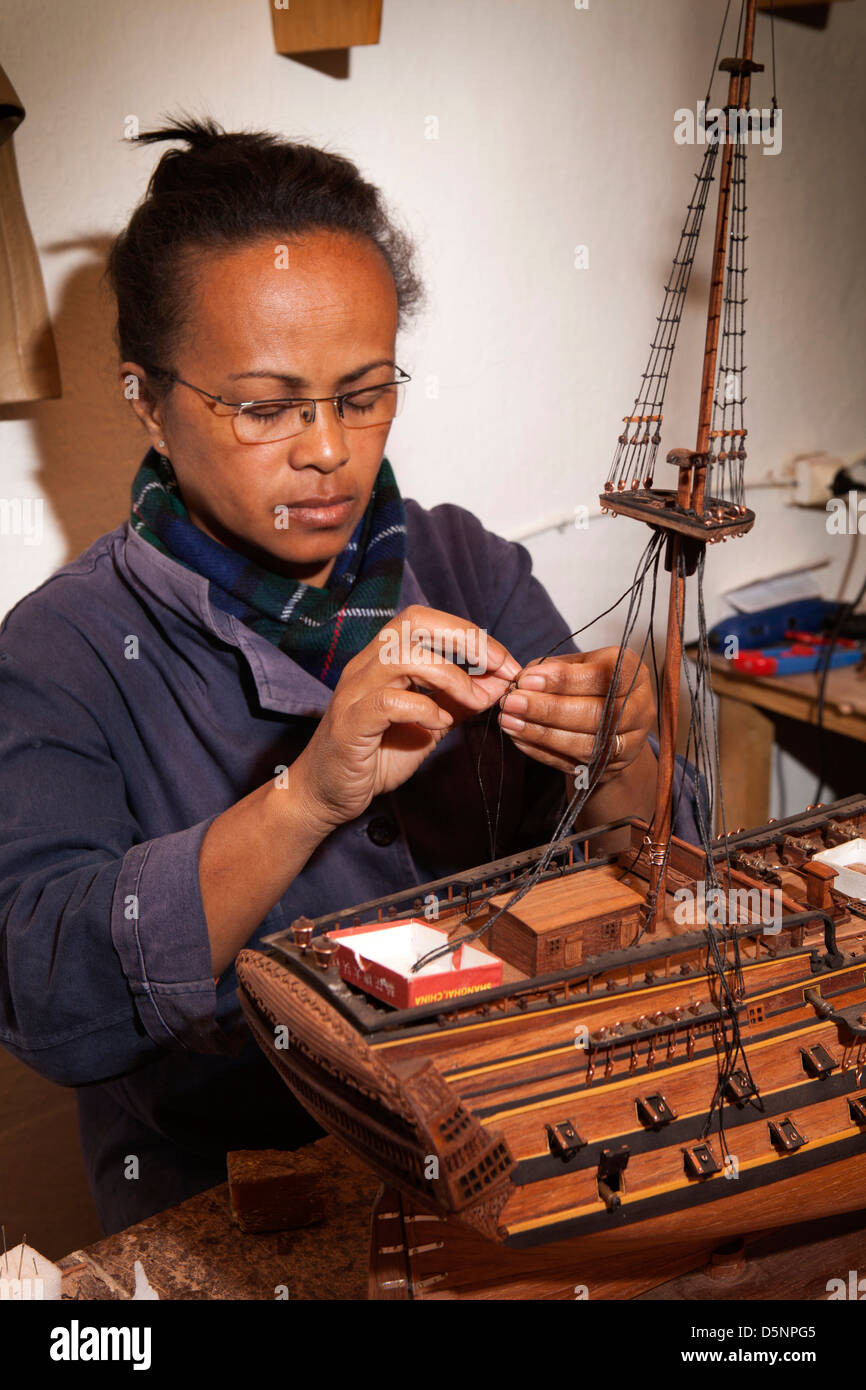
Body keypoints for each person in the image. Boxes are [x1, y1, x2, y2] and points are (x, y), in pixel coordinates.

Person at [0, 118, 704, 1235]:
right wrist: (305, 794)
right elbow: (48, 999)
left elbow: (653, 878)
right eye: (266, 407)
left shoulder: (463, 559)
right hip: (251, 1209)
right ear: (146, 399)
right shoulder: (62, 650)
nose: (326, 448)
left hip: (519, 1139)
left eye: (364, 392)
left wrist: (618, 755)